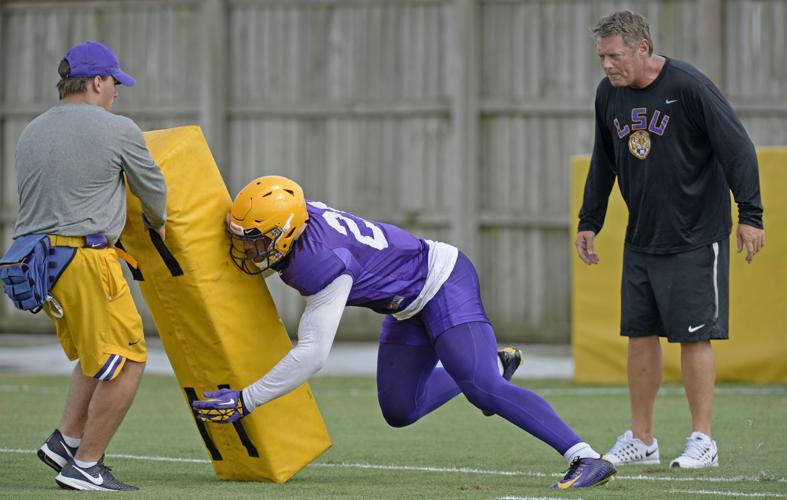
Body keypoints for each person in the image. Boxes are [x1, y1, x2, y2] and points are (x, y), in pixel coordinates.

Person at [192, 175, 616, 489]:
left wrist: (247, 400)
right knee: (400, 410)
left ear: (286, 233)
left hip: (443, 280)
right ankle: (495, 363)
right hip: (404, 303)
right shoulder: (298, 214)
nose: (247, 250)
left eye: (255, 242)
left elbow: (313, 353)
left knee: (483, 389)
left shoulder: (321, 262)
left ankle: (585, 456)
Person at [576, 11, 765, 468]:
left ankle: (704, 440)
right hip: (642, 236)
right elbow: (604, 159)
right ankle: (642, 439)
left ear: (642, 48)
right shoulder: (609, 95)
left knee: (693, 338)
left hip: (696, 234)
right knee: (640, 336)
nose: (606, 65)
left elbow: (737, 147)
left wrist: (751, 214)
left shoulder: (689, 86)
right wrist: (590, 219)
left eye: (614, 55)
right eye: (601, 56)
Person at [13, 41, 168, 490]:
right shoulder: (117, 129)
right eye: (115, 83)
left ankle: (67, 439)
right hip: (84, 258)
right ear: (97, 81)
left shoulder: (32, 130)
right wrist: (159, 224)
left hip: (36, 265)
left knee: (95, 354)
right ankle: (86, 465)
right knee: (129, 360)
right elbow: (154, 194)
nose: (117, 92)